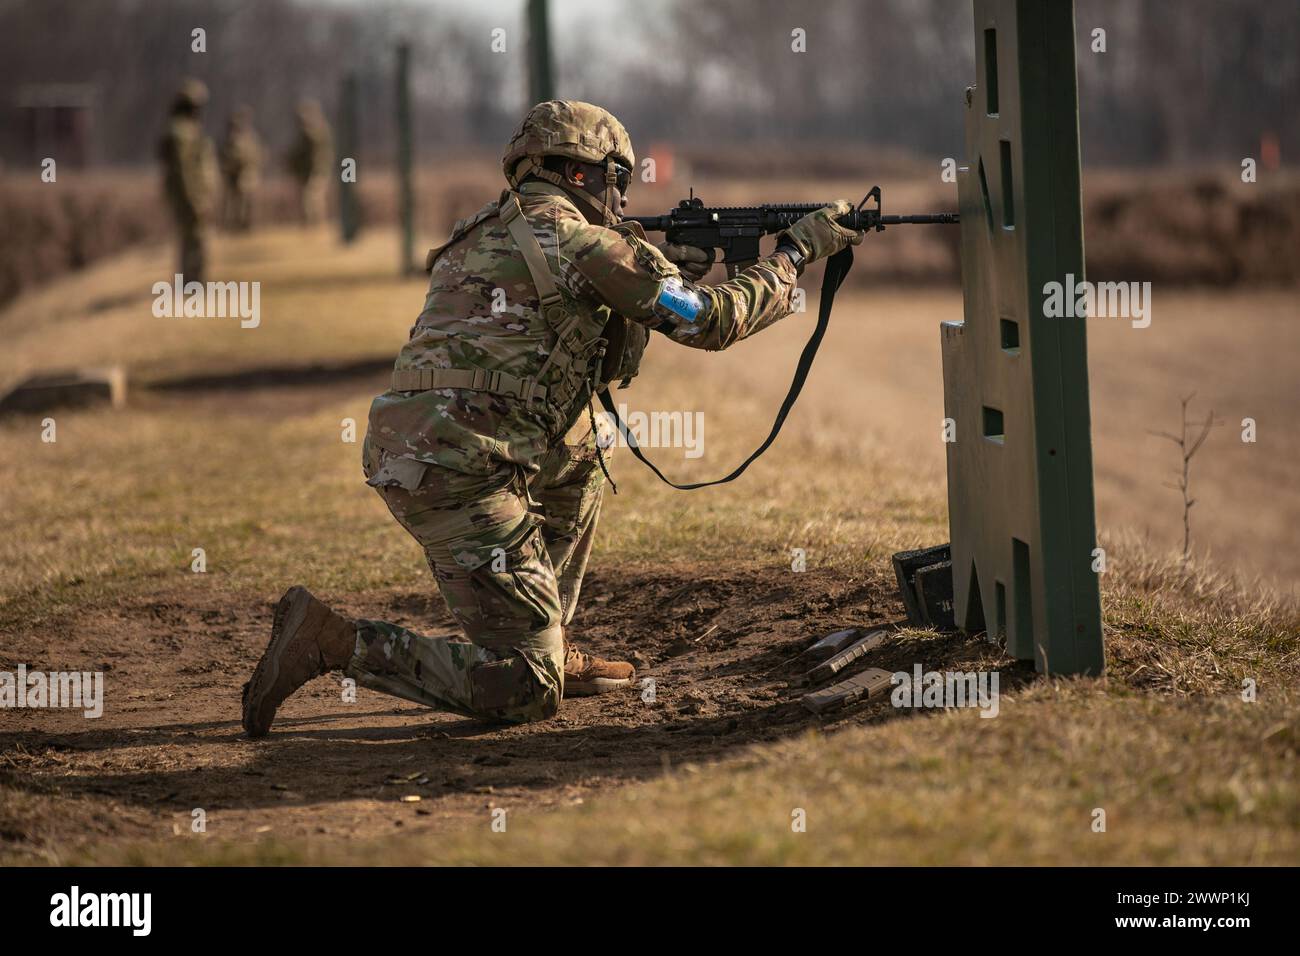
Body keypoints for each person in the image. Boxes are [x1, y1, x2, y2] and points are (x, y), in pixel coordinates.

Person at [242, 100, 862, 737]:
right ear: (582, 174)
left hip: (425, 451)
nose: (622, 199)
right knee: (525, 691)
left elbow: (589, 352)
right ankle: (332, 643)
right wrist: (792, 255)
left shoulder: (480, 229)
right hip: (458, 474)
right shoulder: (586, 243)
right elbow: (708, 320)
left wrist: (670, 270)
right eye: (617, 179)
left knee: (587, 445)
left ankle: (546, 638)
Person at [158, 78, 217, 282]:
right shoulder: (181, 132)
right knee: (195, 238)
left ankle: (191, 280)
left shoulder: (185, 130)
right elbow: (184, 171)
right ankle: (193, 282)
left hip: (191, 195)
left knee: (192, 238)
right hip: (190, 196)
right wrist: (194, 200)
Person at [286, 98, 332, 225]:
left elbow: (317, 145)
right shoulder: (305, 133)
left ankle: (315, 224)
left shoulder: (319, 130)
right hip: (306, 171)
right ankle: (310, 224)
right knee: (307, 198)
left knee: (312, 198)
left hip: (317, 170)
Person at [219, 106, 261, 231]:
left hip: (247, 174)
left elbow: (256, 154)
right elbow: (227, 156)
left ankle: (246, 224)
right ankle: (232, 225)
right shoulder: (231, 140)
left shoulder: (250, 137)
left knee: (246, 201)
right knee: (233, 202)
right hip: (234, 174)